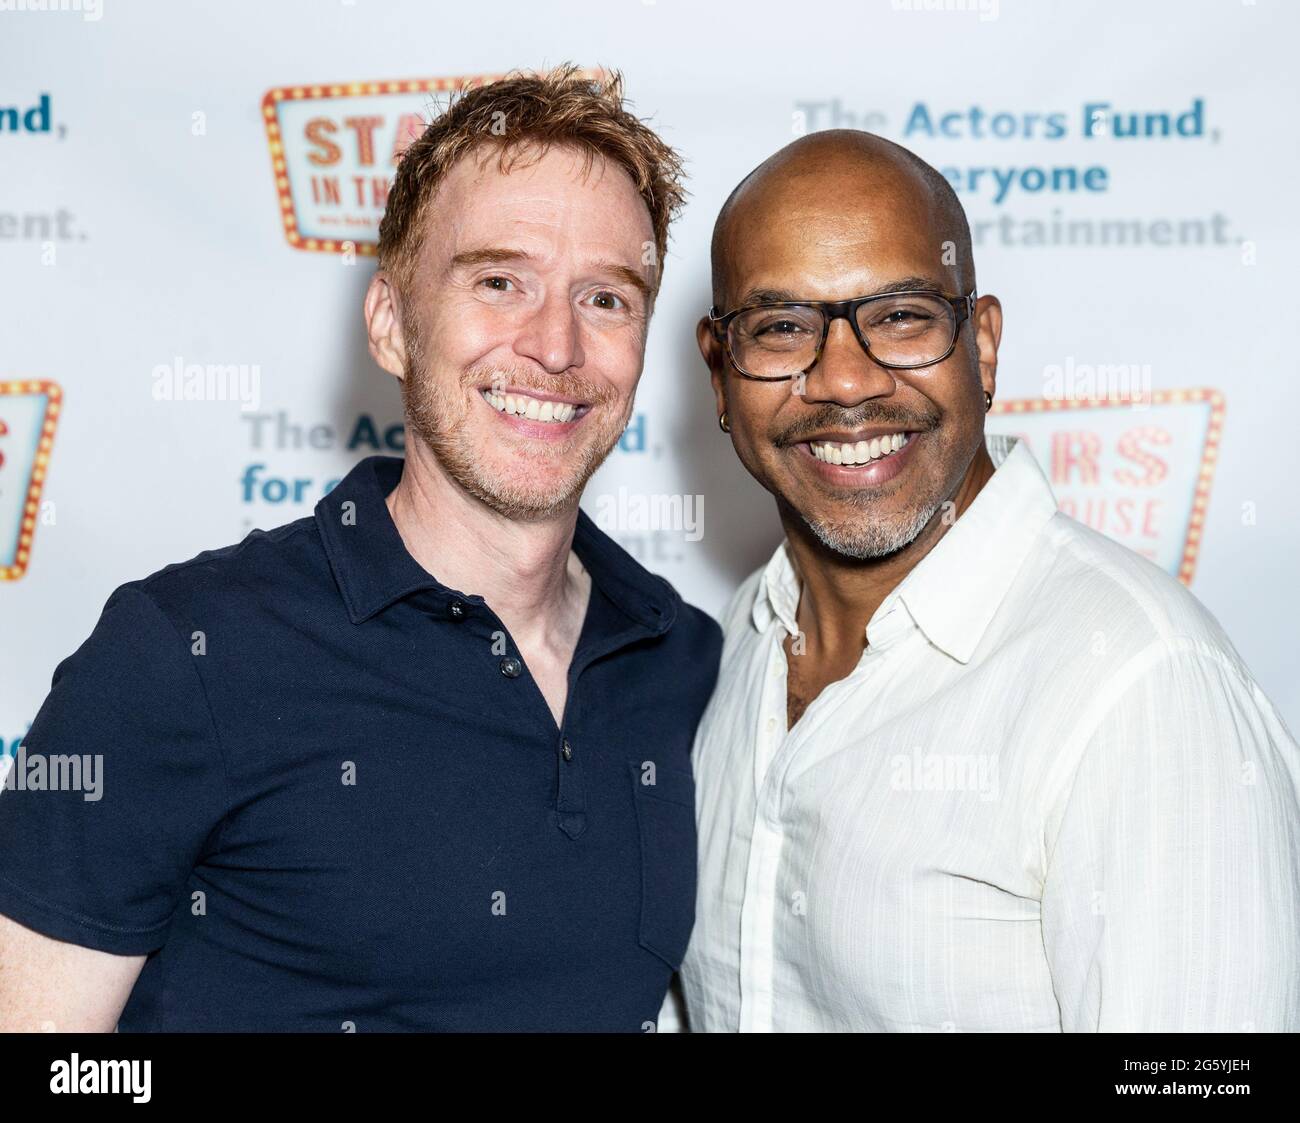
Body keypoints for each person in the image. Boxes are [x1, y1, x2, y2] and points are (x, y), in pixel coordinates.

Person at [0, 66, 721, 1033]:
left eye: (606, 298)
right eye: (499, 281)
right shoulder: (184, 653)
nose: (554, 345)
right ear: (390, 323)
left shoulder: (684, 661)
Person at [678, 128, 1299, 1032]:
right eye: (782, 328)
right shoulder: (734, 643)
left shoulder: (1142, 685)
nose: (845, 382)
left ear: (986, 346)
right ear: (721, 375)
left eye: (900, 316)